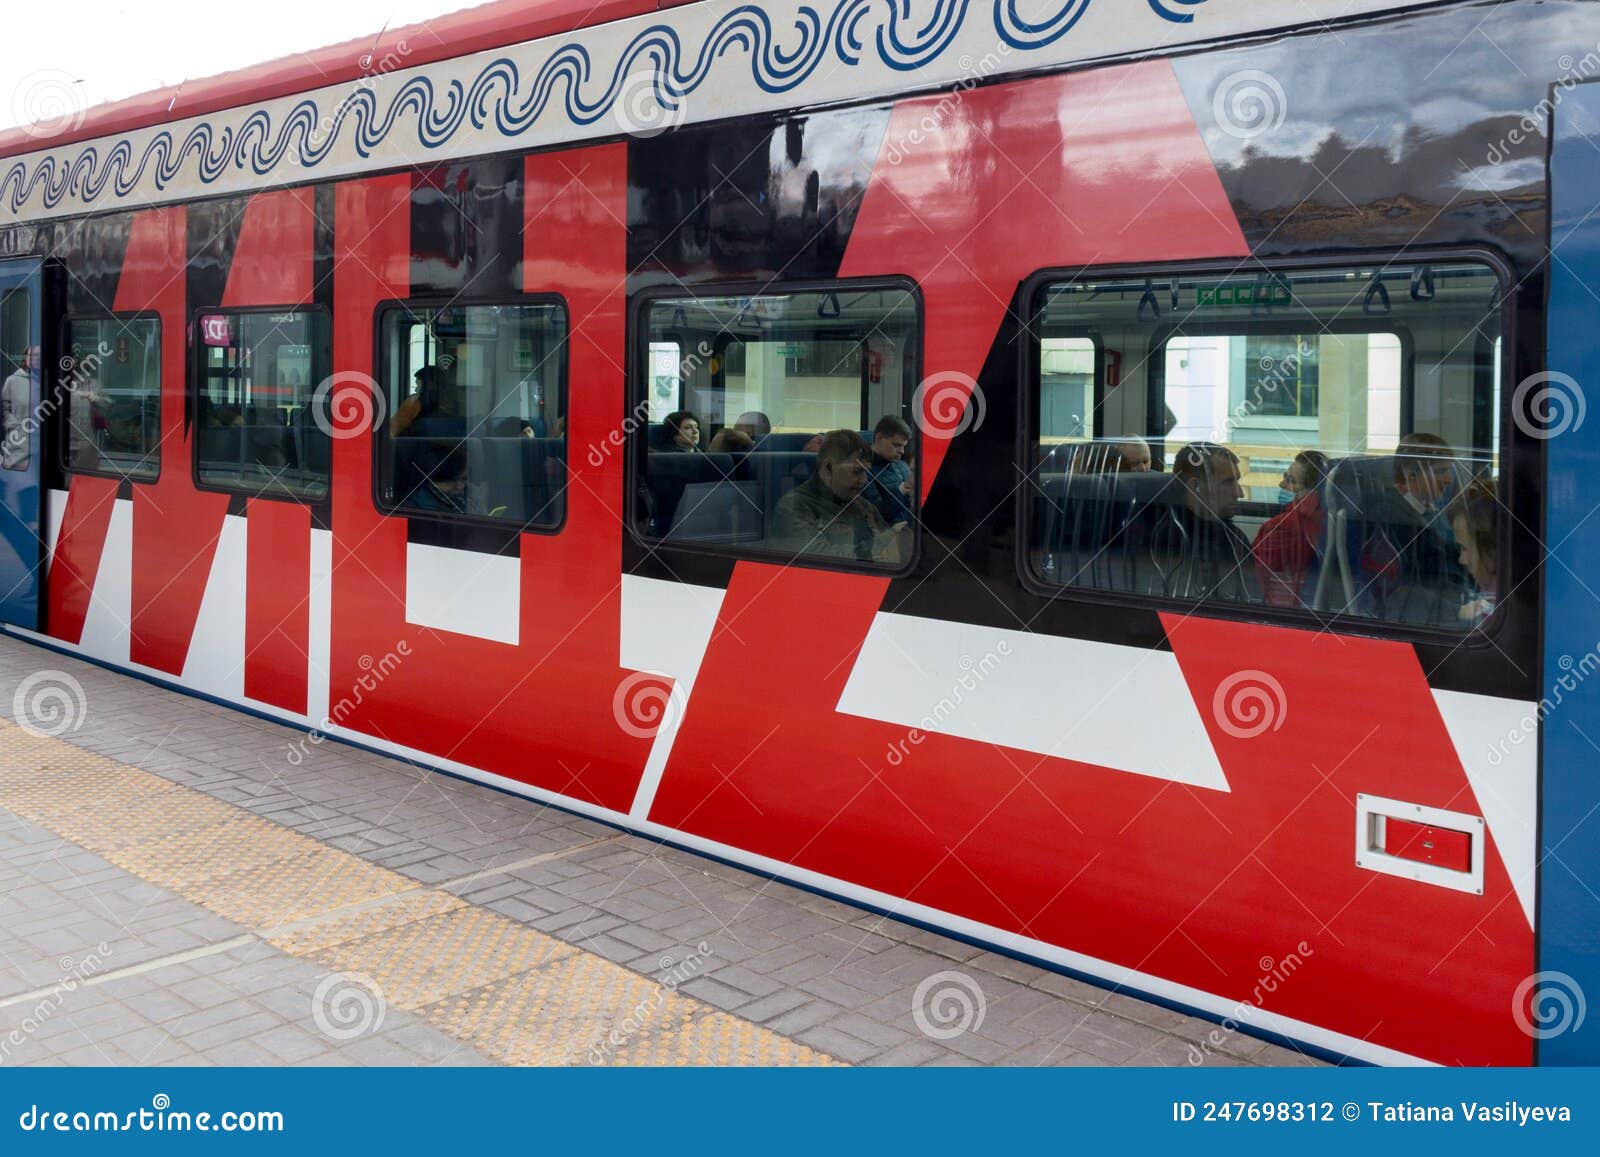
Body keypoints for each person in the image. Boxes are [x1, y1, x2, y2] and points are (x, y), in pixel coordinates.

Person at [771, 429, 909, 564]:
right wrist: (876, 548)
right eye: (857, 471)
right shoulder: (793, 507)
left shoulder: (861, 504)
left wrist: (896, 536)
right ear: (829, 467)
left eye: (866, 472)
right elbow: (817, 559)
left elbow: (886, 542)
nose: (864, 480)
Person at [1162, 441, 1252, 601]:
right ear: (1195, 485)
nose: (1239, 493)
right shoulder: (1167, 538)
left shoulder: (1234, 537)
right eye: (1228, 482)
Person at [1252, 449, 1331, 607]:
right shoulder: (1334, 520)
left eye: (1290, 480)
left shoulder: (1279, 528)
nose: (1281, 484)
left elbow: (1256, 580)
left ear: (1311, 491)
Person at [1445, 479, 1498, 625]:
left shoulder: (1494, 620)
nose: (1462, 560)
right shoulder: (1492, 598)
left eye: (1465, 548)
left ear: (1493, 550)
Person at [860, 415, 914, 525]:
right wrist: (903, 489)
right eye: (896, 445)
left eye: (903, 446)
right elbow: (878, 513)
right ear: (879, 438)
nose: (902, 451)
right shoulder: (863, 470)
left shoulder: (902, 465)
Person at [2, 345, 38, 470]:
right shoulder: (12, 380)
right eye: (32, 355)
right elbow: (4, 408)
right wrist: (15, 426)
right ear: (25, 358)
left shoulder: (47, 382)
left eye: (39, 356)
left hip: (41, 450)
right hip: (18, 450)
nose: (36, 359)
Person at [390, 365, 445, 437]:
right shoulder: (445, 404)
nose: (415, 389)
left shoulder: (414, 402)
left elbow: (392, 430)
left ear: (429, 385)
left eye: (418, 384)